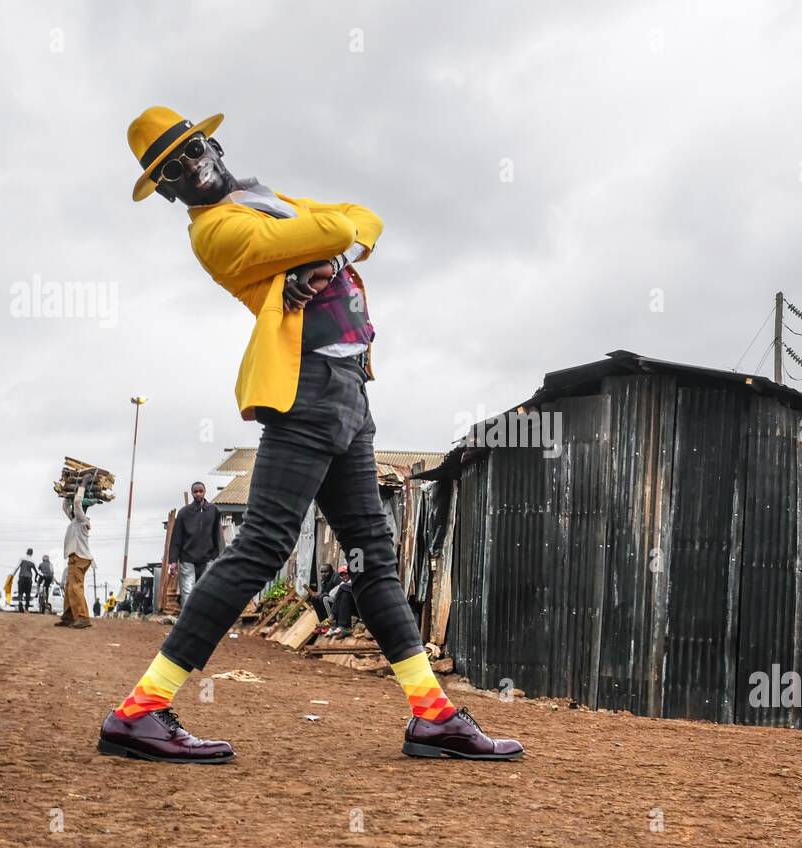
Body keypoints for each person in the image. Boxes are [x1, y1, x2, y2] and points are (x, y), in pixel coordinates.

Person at [99, 107, 522, 765]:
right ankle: (140, 711)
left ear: (210, 142)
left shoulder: (267, 196)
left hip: (349, 390)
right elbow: (334, 226)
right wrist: (328, 241)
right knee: (264, 544)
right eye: (170, 174)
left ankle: (433, 717)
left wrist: (328, 244)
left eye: (189, 152)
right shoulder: (215, 231)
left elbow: (364, 217)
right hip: (306, 391)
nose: (188, 169)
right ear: (168, 193)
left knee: (374, 557)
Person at [170, 481, 224, 608]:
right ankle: (187, 621)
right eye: (195, 491)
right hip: (188, 558)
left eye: (201, 491)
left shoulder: (214, 510)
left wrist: (220, 557)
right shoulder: (184, 513)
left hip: (208, 558)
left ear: (205, 492)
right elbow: (176, 538)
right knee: (187, 591)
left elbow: (218, 535)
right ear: (192, 493)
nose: (198, 494)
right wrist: (173, 561)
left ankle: (202, 620)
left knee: (206, 591)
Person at [57, 475, 96, 629]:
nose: (73, 510)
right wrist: (66, 491)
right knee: (69, 587)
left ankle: (82, 617)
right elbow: (66, 507)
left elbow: (77, 502)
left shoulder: (83, 520)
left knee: (75, 587)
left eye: (76, 509)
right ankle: (68, 617)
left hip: (80, 558)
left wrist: (83, 484)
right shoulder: (74, 520)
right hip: (75, 557)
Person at [15, 548, 38, 613]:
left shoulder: (22, 559)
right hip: (29, 578)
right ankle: (26, 609)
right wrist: (36, 579)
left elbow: (16, 567)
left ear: (26, 552)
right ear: (32, 553)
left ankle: (20, 604)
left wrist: (12, 575)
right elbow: (37, 572)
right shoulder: (33, 561)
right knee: (28, 593)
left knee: (20, 592)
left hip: (22, 577)